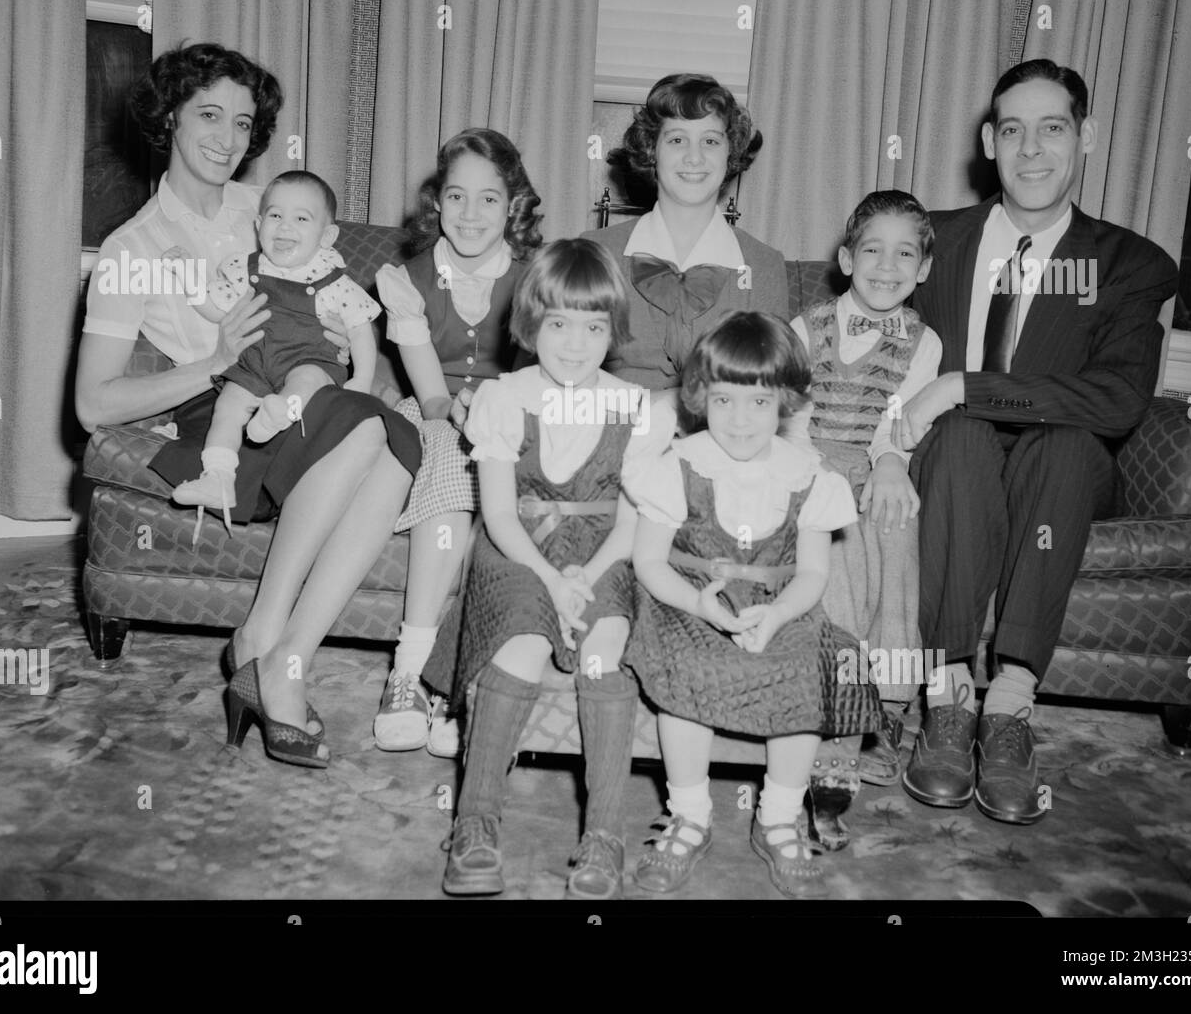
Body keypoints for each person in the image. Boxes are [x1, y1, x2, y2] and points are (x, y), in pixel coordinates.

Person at [76, 43, 422, 769]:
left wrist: (341, 334)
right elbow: (91, 404)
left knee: (392, 438)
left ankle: (273, 646)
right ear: (169, 116)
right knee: (372, 431)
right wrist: (213, 360)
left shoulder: (265, 209)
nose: (227, 138)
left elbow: (335, 294)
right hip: (223, 417)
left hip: (307, 396)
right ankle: (273, 655)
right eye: (209, 115)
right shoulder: (130, 247)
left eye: (242, 122)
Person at [893, 59, 1178, 823]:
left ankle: (1011, 706)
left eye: (1052, 127)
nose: (1031, 150)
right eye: (1012, 130)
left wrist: (963, 383)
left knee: (1064, 442)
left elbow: (1117, 399)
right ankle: (948, 698)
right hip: (955, 459)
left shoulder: (1129, 263)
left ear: (1084, 136)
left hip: (1065, 470)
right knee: (956, 437)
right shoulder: (933, 241)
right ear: (988, 141)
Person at [424, 239, 675, 899]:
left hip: (602, 551)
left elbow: (628, 526)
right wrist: (550, 577)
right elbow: (500, 518)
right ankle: (474, 823)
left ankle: (604, 835)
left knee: (606, 651)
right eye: (558, 323)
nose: (574, 343)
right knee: (525, 642)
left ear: (613, 330)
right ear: (531, 321)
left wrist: (584, 579)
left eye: (594, 326)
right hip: (519, 545)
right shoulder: (502, 397)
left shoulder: (636, 407)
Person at [622, 312, 881, 898]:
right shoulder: (678, 467)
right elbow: (650, 563)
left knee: (806, 666)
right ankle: (689, 814)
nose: (740, 420)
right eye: (723, 401)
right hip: (691, 601)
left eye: (758, 404)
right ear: (700, 399)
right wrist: (698, 603)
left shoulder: (807, 476)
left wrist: (781, 614)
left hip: (778, 603)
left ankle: (779, 816)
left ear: (785, 402)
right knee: (686, 666)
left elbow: (814, 572)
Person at [371, 129, 542, 759]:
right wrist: (460, 411)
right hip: (437, 409)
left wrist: (498, 413)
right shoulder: (406, 279)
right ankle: (409, 672)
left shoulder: (532, 279)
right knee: (447, 459)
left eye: (490, 200)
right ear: (437, 203)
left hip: (512, 411)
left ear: (512, 207)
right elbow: (434, 396)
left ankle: (463, 680)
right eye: (458, 197)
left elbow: (534, 376)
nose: (472, 215)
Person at [785, 190, 942, 842]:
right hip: (801, 460)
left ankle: (891, 697)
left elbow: (893, 425)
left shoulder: (922, 342)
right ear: (847, 258)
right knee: (842, 535)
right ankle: (839, 736)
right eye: (872, 249)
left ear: (924, 268)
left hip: (872, 460)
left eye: (905, 252)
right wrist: (811, 472)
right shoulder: (807, 327)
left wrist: (889, 464)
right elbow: (790, 416)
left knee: (893, 518)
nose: (887, 265)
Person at [170, 170, 382, 536]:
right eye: (275, 216)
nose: (285, 227)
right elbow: (217, 309)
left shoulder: (331, 279)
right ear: (258, 223)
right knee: (228, 407)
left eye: (301, 218)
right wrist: (189, 279)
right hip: (255, 363)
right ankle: (217, 476)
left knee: (307, 379)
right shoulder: (245, 268)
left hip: (310, 358)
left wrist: (362, 378)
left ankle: (283, 409)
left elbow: (361, 331)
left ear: (327, 235)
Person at [582, 73, 789, 391]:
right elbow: (553, 385)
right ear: (652, 151)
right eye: (677, 140)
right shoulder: (594, 253)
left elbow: (771, 390)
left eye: (710, 141)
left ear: (729, 153)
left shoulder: (763, 266)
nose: (695, 157)